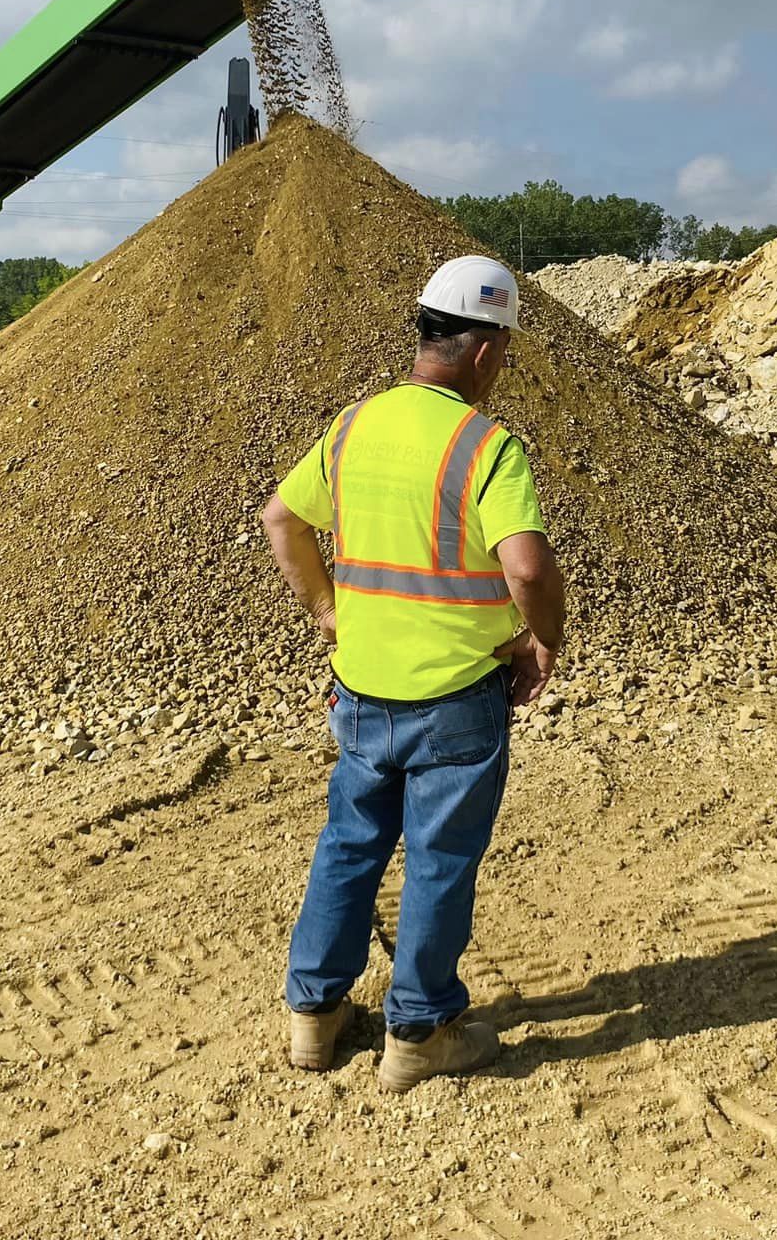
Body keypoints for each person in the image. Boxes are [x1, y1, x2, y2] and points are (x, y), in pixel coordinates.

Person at [261, 255, 567, 1093]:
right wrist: (544, 644)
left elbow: (281, 519)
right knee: (438, 860)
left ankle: (314, 1020)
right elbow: (530, 571)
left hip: (361, 691)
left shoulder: (355, 426)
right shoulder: (486, 446)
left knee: (350, 846)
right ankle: (419, 1034)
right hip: (456, 700)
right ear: (483, 352)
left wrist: (326, 610)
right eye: (503, 348)